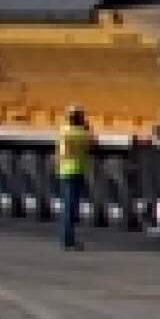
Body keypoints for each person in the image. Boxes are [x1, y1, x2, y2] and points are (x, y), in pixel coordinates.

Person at [55, 106, 96, 252]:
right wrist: (88, 128)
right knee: (71, 208)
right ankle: (68, 241)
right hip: (76, 171)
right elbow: (92, 144)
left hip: (64, 170)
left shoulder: (63, 131)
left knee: (67, 207)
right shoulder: (80, 133)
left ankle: (67, 239)